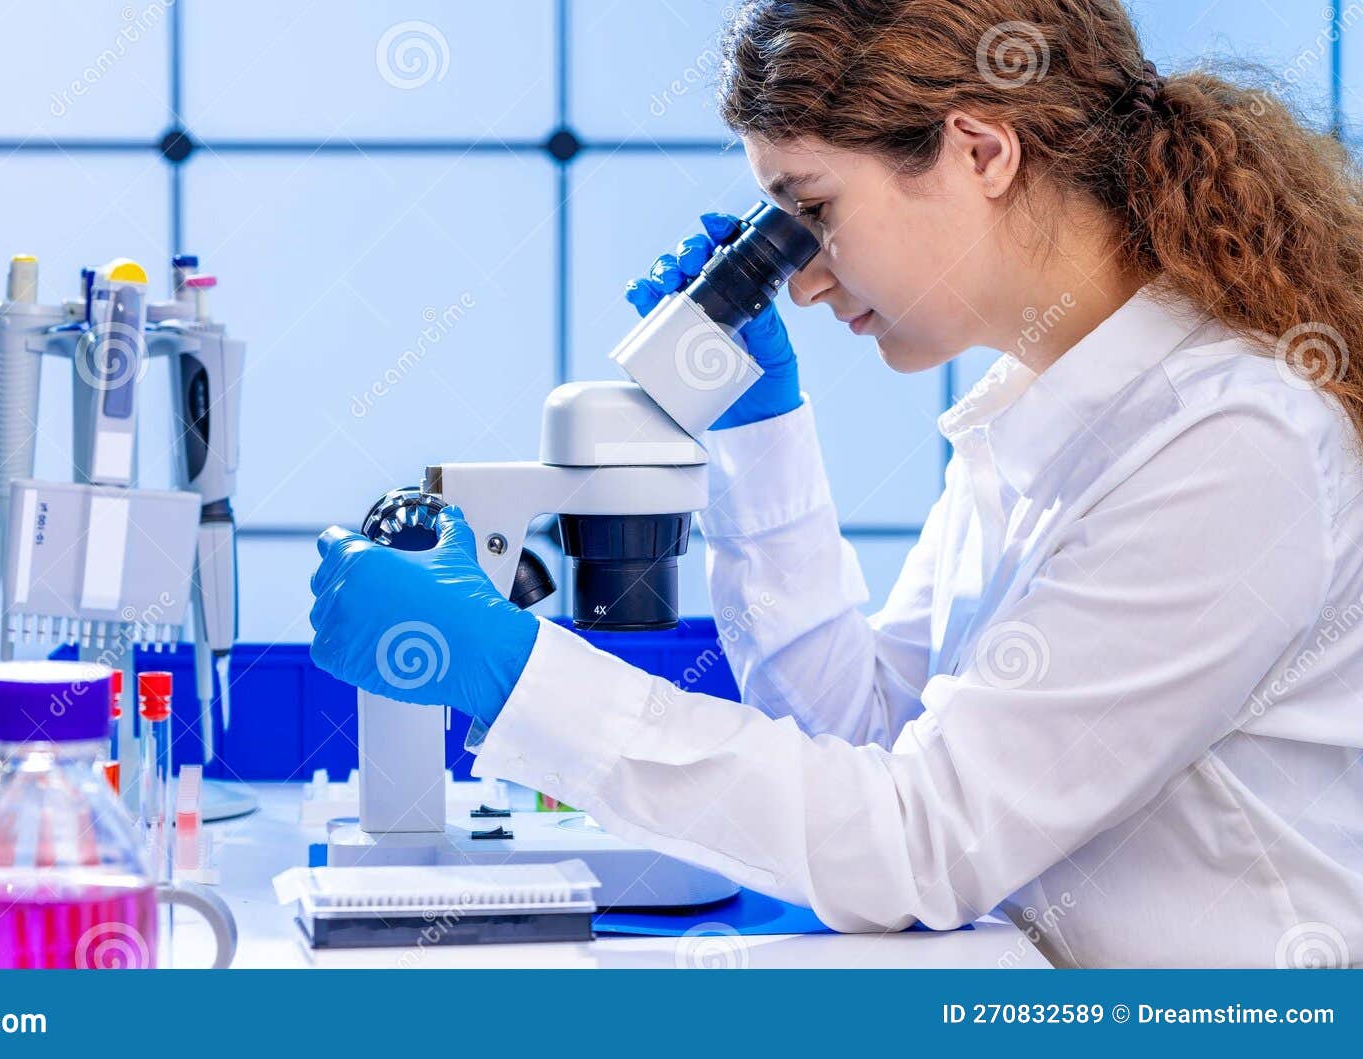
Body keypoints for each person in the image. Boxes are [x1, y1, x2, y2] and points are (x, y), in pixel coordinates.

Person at [307, 0, 1363, 967]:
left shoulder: (1230, 439)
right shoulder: (1035, 413)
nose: (803, 278)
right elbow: (860, 734)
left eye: (811, 210)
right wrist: (758, 431)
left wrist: (517, 672)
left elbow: (919, 847)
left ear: (980, 150)